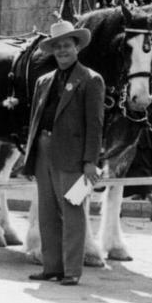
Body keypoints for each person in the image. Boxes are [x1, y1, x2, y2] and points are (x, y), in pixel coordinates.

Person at [20, 20, 105, 286]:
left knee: (73, 211)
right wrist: (29, 158)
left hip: (74, 156)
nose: (62, 51)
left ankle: (71, 271)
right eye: (57, 47)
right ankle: (51, 266)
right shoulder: (44, 81)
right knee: (46, 212)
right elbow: (34, 121)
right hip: (44, 151)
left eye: (67, 45)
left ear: (77, 47)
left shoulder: (91, 80)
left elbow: (95, 124)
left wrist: (91, 162)